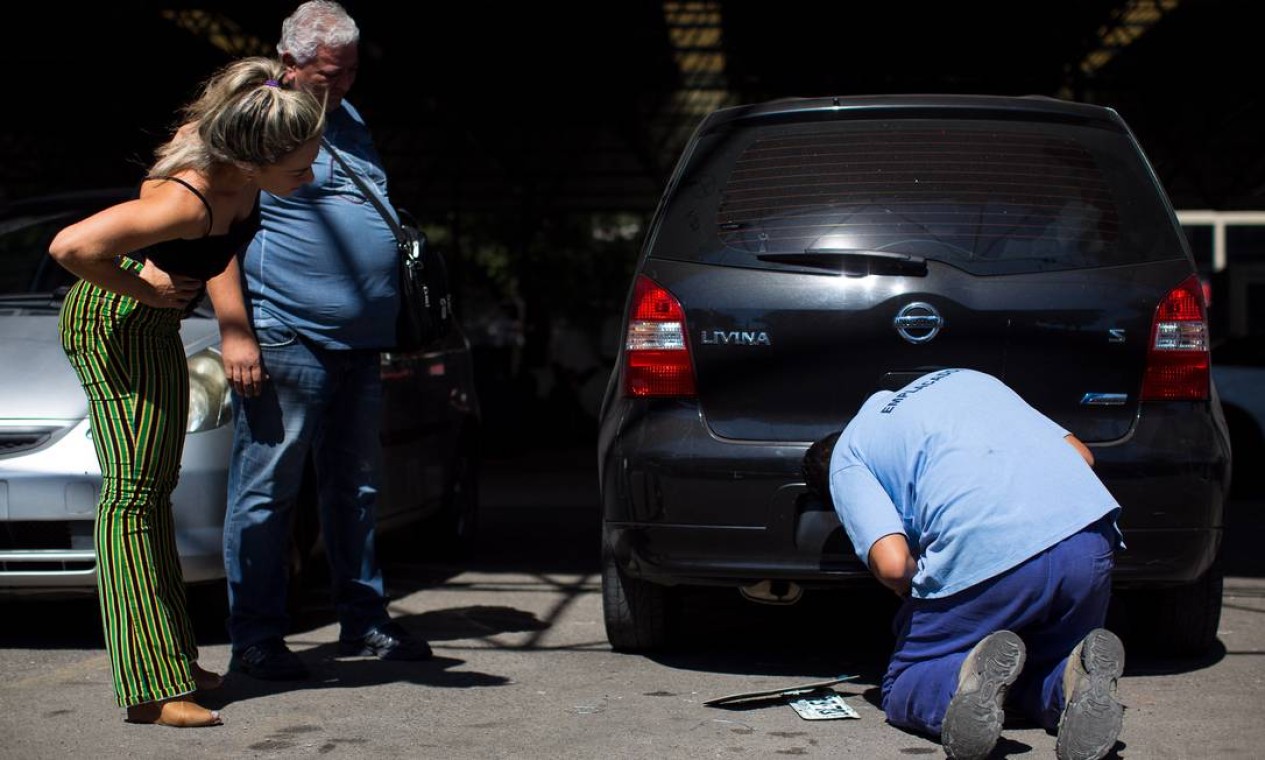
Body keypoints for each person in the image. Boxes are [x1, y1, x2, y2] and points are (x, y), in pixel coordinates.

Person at [48, 57, 325, 727]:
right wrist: (141, 286)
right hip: (114, 325)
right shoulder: (188, 196)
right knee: (132, 498)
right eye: (298, 169)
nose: (308, 177)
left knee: (153, 491)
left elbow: (220, 238)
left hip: (153, 326)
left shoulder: (238, 173)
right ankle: (150, 682)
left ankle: (172, 658)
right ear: (255, 159)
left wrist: (230, 324)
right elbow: (72, 246)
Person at [208, 0, 431, 681]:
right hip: (286, 336)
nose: (340, 85)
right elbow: (216, 228)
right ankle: (256, 637)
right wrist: (236, 331)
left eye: (351, 71)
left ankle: (362, 623)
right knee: (268, 489)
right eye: (328, 73)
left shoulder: (351, 119)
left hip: (360, 343)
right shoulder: (259, 116)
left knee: (356, 490)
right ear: (289, 62)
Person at [803, 368, 1127, 760]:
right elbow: (1082, 457)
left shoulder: (846, 458)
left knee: (905, 680)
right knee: (1053, 656)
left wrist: (918, 592)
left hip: (987, 547)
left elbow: (893, 566)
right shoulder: (967, 379)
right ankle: (1071, 682)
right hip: (1087, 537)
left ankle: (957, 683)